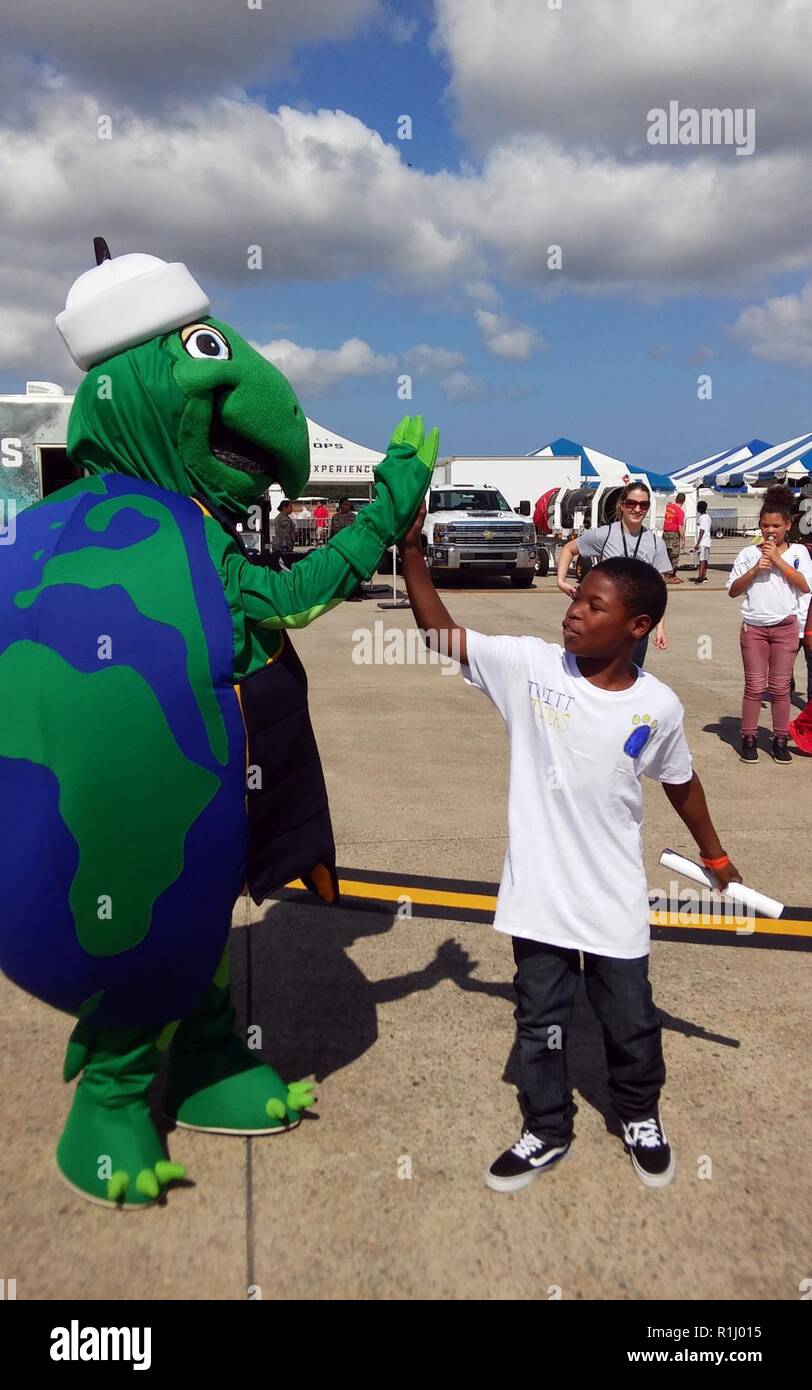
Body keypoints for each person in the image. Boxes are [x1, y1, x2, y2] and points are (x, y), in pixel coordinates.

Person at [400, 508, 741, 1192]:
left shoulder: (658, 707)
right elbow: (439, 632)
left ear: (636, 627)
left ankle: (639, 1115)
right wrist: (410, 546)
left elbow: (681, 781)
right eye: (577, 596)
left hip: (612, 897)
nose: (575, 612)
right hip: (541, 895)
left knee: (631, 1020)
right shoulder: (529, 668)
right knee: (540, 1022)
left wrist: (716, 855)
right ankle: (545, 1130)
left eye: (595, 604)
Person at [727, 484, 812, 764]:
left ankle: (779, 739)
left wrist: (778, 561)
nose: (770, 531)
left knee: (779, 688)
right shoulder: (748, 554)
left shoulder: (798, 552)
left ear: (788, 525)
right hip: (754, 627)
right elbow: (734, 590)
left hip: (785, 627)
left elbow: (805, 585)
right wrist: (755, 569)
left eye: (776, 525)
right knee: (754, 685)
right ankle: (748, 736)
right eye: (765, 525)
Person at [556, 481, 672, 666]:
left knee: (629, 677)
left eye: (643, 505)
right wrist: (561, 582)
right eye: (631, 503)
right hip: (605, 622)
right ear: (622, 505)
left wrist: (660, 628)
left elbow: (658, 590)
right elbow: (569, 549)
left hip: (635, 626)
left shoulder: (655, 543)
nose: (636, 509)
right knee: (596, 674)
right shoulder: (605, 534)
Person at [661, 491, 686, 579]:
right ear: (683, 501)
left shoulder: (669, 507)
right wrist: (683, 539)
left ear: (676, 499)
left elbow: (668, 504)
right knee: (674, 555)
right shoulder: (680, 512)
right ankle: (670, 575)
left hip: (665, 533)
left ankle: (666, 573)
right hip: (673, 534)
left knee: (666, 554)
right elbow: (680, 527)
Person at [692, 500, 711, 584]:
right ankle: (704, 575)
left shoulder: (703, 518)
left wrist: (698, 543)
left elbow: (702, 531)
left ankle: (700, 577)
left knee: (701, 560)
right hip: (707, 541)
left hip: (702, 542)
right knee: (705, 559)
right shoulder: (708, 517)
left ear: (700, 508)